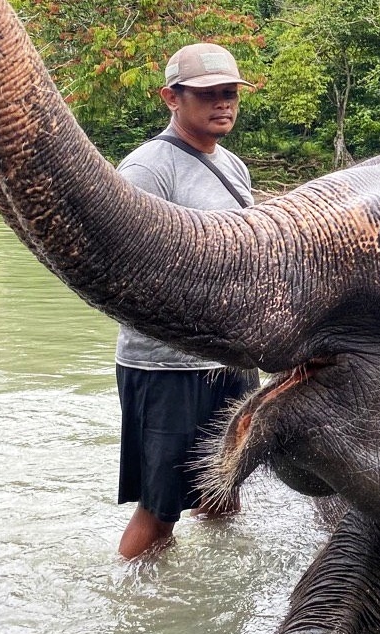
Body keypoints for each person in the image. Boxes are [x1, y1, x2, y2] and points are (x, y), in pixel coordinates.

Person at [114, 43, 259, 559]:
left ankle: (214, 596)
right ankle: (135, 607)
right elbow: (127, 268)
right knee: (159, 509)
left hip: (230, 357)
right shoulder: (147, 171)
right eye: (207, 95)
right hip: (167, 369)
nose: (223, 104)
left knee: (225, 491)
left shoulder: (234, 166)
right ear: (170, 98)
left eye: (229, 93)